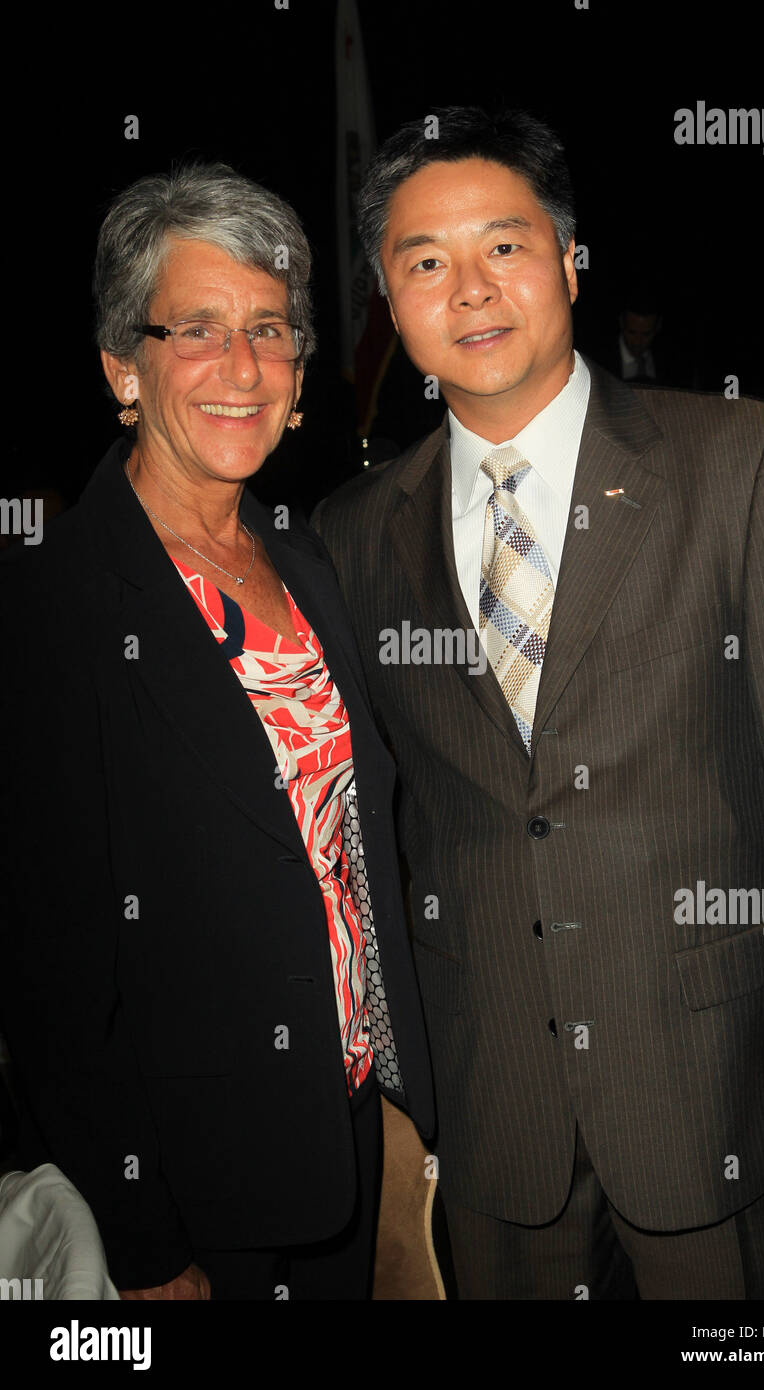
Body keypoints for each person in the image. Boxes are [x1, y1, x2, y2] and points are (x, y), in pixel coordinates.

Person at [312, 106, 764, 1300]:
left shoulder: (743, 459)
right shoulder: (352, 533)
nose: (468, 289)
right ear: (389, 303)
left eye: (502, 246)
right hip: (492, 1086)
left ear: (568, 259)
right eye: (424, 263)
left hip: (720, 1066)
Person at [0, 162, 433, 1300]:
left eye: (270, 330)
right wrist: (147, 1245)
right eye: (197, 329)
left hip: (348, 1135)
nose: (241, 368)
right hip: (199, 1194)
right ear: (121, 367)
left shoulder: (308, 563)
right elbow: (48, 984)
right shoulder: (59, 607)